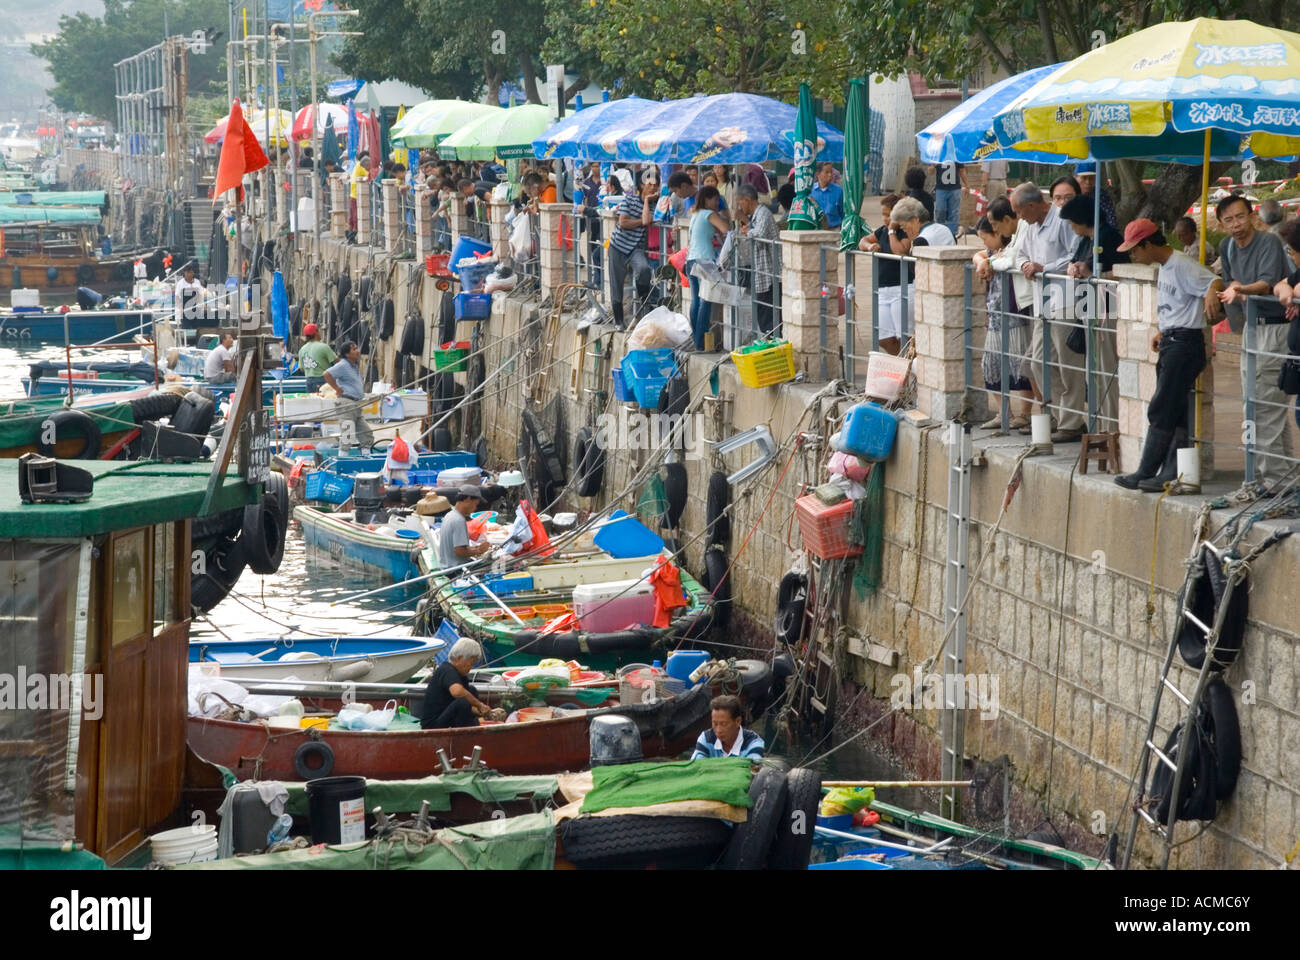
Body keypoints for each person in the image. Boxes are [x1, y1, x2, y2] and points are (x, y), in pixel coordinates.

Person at [1114, 219, 1224, 491]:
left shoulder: (1182, 266)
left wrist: (1211, 293)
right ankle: (1169, 472)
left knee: (1161, 407)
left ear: (1148, 244)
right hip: (1172, 338)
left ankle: (1146, 470)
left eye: (1135, 250)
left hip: (1185, 344)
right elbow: (1175, 305)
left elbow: (1215, 281)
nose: (1133, 256)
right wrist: (1162, 330)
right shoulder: (1163, 267)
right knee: (1173, 410)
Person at [1216, 192, 1294, 494]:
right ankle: (1281, 474)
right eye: (1229, 220)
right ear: (1222, 225)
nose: (1236, 224)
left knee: (1265, 404)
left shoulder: (1269, 243)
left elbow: (1266, 282)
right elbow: (1228, 281)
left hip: (1275, 330)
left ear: (1252, 216)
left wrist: (1239, 289)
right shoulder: (1227, 248)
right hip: (1250, 329)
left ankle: (1273, 479)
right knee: (1256, 403)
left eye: (1239, 217)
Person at [1011, 182, 1085, 442]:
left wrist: (1046, 267)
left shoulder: (1062, 220)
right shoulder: (1030, 227)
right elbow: (1019, 254)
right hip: (1042, 303)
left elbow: (1075, 256)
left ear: (1032, 206)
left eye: (1020, 212)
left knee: (1068, 363)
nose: (1019, 218)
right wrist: (1026, 265)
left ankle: (1072, 421)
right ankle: (1056, 412)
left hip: (1065, 300)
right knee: (1038, 361)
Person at [1059, 192, 1127, 431]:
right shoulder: (1086, 240)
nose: (1071, 227)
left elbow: (1125, 272)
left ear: (1082, 219)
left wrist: (1093, 274)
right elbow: (1078, 261)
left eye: (1072, 222)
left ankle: (1113, 428)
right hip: (1089, 310)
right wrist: (1073, 267)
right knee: (1094, 373)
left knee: (1107, 372)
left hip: (1107, 312)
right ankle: (1100, 424)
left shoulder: (1109, 238)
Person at [974, 213, 1034, 430]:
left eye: (985, 237)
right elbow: (979, 254)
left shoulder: (1012, 252)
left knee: (1021, 367)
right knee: (991, 365)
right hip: (996, 318)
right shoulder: (992, 253)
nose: (984, 243)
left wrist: (988, 260)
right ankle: (1003, 412)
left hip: (1016, 314)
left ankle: (1024, 413)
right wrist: (982, 259)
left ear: (998, 232)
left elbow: (1005, 261)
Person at [726, 183, 780, 335]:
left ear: (747, 200)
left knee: (768, 315)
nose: (739, 206)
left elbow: (760, 233)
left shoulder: (763, 213)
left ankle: (772, 344)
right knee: (762, 313)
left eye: (740, 202)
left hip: (769, 274)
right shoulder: (756, 215)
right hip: (761, 274)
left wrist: (748, 231)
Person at [607, 168, 657, 329]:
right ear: (642, 186)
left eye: (655, 185)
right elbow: (623, 222)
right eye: (649, 185)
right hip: (618, 246)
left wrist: (648, 201)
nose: (653, 188)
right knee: (617, 284)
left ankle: (644, 303)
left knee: (643, 269)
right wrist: (640, 222)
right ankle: (619, 321)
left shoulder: (654, 204)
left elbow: (647, 220)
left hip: (636, 248)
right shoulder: (629, 200)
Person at [859, 194, 907, 355]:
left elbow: (899, 250)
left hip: (901, 288)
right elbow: (863, 240)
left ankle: (907, 369)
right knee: (884, 337)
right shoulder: (881, 231)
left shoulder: (903, 232)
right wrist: (869, 246)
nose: (885, 219)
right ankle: (899, 363)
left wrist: (892, 230)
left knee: (904, 336)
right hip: (882, 289)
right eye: (884, 215)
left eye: (888, 215)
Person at [686, 185, 730, 350]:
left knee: (696, 301)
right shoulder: (709, 214)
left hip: (690, 259)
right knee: (705, 301)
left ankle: (696, 341)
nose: (717, 203)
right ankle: (701, 342)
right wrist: (726, 216)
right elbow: (726, 228)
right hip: (704, 260)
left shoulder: (695, 214)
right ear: (707, 199)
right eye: (716, 199)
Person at [421, 637, 491, 729]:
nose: (471, 667)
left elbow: (468, 708)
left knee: (471, 690)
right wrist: (479, 705)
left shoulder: (461, 676)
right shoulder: (447, 670)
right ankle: (466, 733)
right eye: (471, 663)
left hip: (446, 718)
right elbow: (457, 692)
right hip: (433, 725)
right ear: (459, 659)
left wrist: (481, 711)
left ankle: (474, 729)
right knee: (462, 701)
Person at [322, 341, 373, 450]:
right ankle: (343, 462)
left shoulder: (354, 366)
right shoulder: (343, 365)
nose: (358, 351)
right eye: (354, 349)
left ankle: (366, 458)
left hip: (356, 405)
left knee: (367, 435)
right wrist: (337, 388)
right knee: (348, 436)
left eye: (357, 348)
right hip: (346, 404)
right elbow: (327, 374)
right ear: (347, 354)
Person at [436, 484, 492, 571]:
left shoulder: (450, 515)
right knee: (494, 566)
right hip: (456, 570)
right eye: (475, 504)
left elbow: (457, 547)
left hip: (447, 565)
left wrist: (476, 548)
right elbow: (459, 551)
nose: (475, 508)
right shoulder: (458, 520)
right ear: (468, 499)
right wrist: (479, 551)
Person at [691, 695, 765, 759]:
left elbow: (752, 769)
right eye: (715, 723)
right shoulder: (706, 738)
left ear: (738, 721)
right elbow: (696, 767)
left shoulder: (753, 742)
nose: (718, 730)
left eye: (723, 724)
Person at [1074, 161, 1117, 231]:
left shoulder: (1101, 195)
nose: (1088, 182)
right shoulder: (1069, 193)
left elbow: (1111, 220)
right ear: (1075, 178)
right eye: (1084, 178)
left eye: (1091, 178)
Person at [931, 159, 968, 238]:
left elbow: (962, 170)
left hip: (955, 188)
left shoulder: (956, 154)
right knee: (940, 210)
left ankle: (952, 235)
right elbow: (930, 171)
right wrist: (933, 165)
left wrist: (967, 185)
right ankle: (940, 233)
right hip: (941, 188)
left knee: (953, 212)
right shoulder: (938, 155)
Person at [297, 322, 336, 392]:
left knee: (312, 401)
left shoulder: (302, 349)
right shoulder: (324, 347)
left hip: (309, 382)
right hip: (323, 381)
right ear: (316, 332)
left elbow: (301, 369)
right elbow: (336, 362)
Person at [810, 162, 845, 228]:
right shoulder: (810, 191)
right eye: (826, 172)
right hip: (815, 231)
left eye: (831, 172)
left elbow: (843, 213)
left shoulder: (839, 191)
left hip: (835, 230)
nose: (830, 175)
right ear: (818, 174)